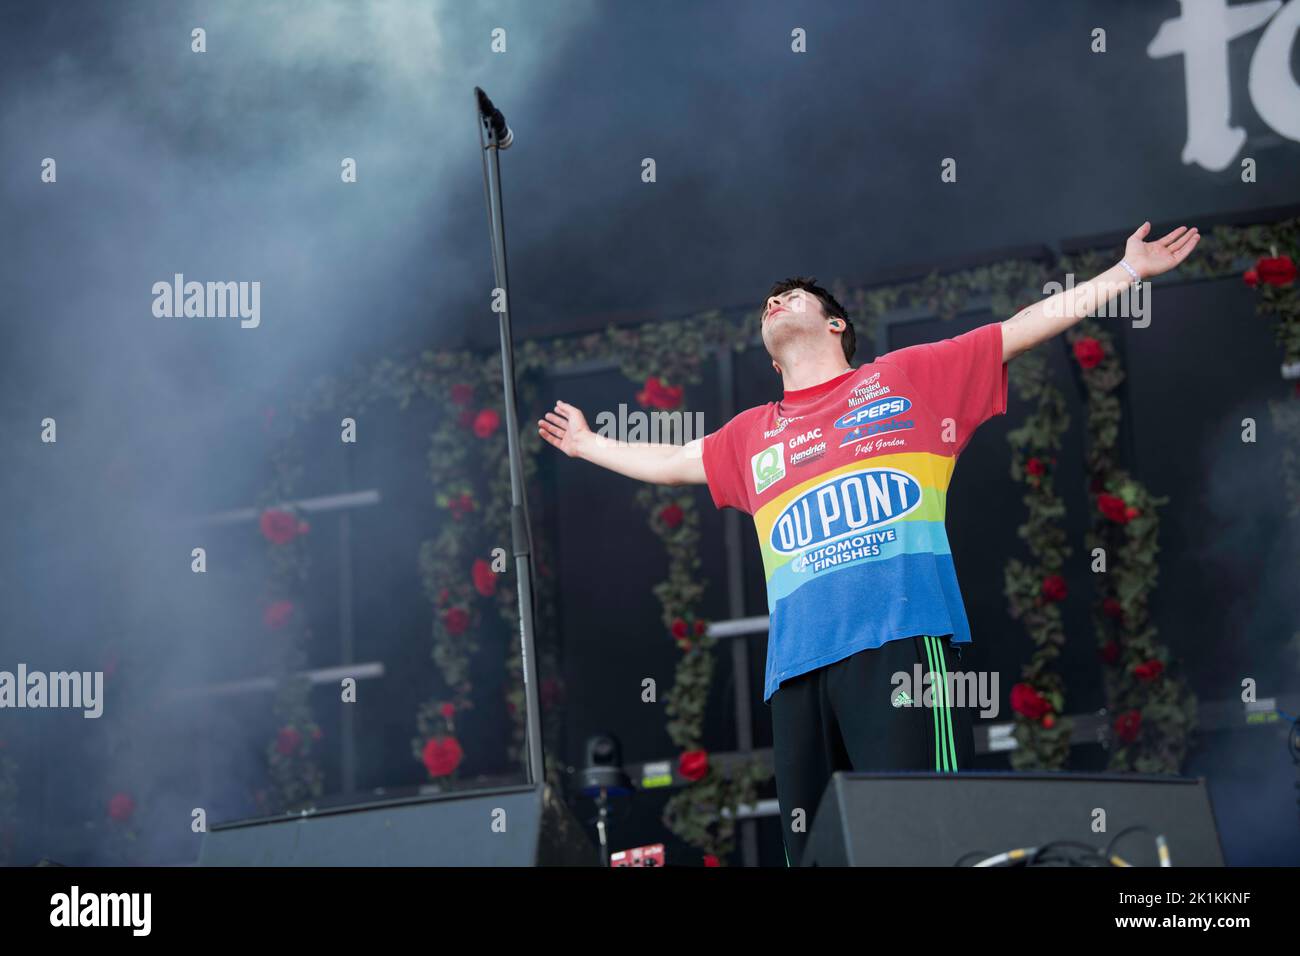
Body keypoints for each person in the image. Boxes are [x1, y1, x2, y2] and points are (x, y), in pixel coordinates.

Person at [538, 221, 1199, 865]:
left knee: (922, 837)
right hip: (796, 672)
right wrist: (589, 444)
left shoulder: (909, 380)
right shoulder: (749, 435)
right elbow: (676, 461)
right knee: (816, 849)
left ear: (835, 326)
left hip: (899, 644)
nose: (774, 303)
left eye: (792, 297)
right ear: (770, 356)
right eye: (769, 305)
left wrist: (1128, 272)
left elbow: (1017, 329)